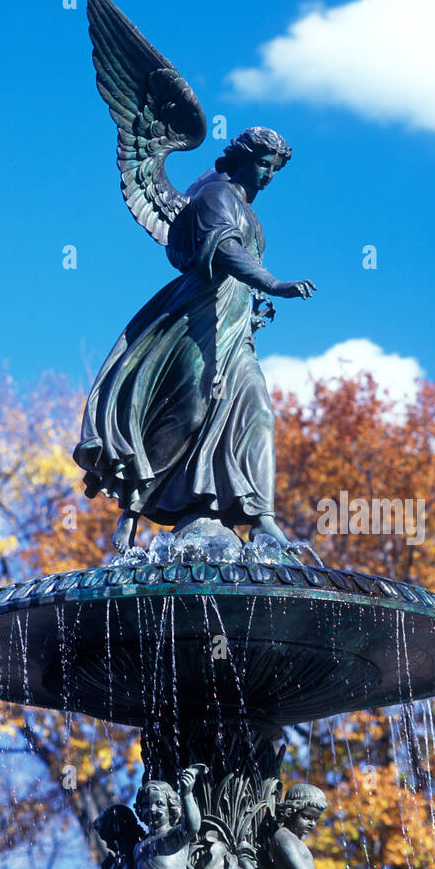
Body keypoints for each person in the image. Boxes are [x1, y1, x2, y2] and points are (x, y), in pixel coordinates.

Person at [73, 127, 316, 554]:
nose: (269, 175)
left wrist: (255, 307)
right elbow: (225, 251)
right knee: (189, 411)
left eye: (275, 169)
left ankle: (261, 519)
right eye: (263, 164)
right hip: (199, 320)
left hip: (236, 329)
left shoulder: (249, 213)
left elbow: (240, 268)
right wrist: (273, 283)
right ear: (241, 159)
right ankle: (133, 506)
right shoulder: (216, 197)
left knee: (257, 408)